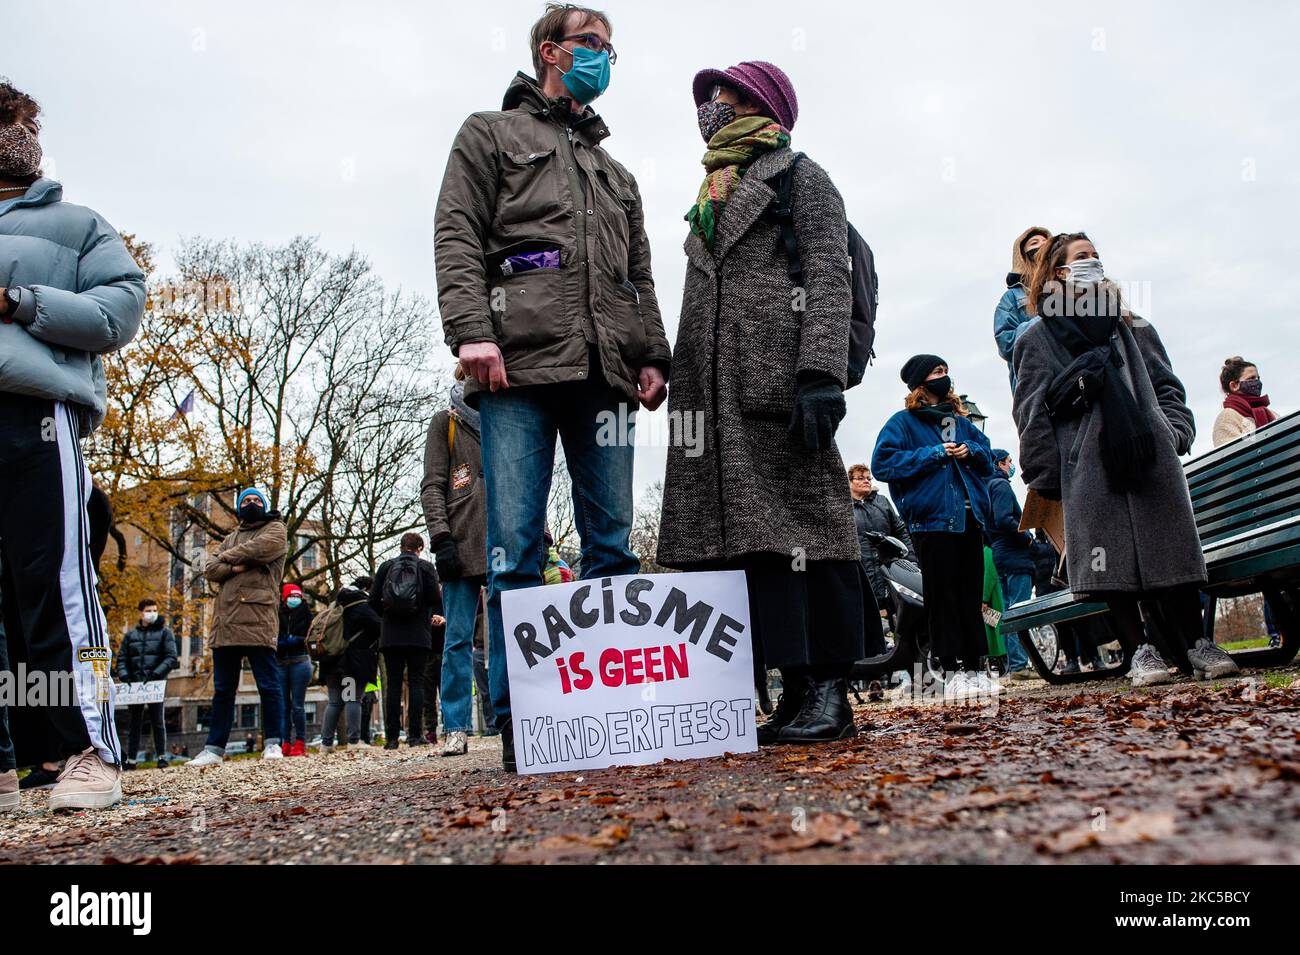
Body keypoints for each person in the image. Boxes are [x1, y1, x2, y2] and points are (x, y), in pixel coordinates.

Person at [434, 4, 671, 771]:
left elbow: (639, 274)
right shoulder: (489, 134)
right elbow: (457, 232)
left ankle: (608, 706)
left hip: (607, 375)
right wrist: (472, 329)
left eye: (612, 50)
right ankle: (521, 717)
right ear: (550, 51)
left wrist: (653, 353)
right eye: (591, 45)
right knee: (514, 551)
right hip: (519, 369)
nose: (604, 59)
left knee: (612, 547)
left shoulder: (617, 171)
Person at [658, 60, 866, 745]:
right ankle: (796, 688)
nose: (708, 106)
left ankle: (832, 692)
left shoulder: (801, 175)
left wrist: (819, 373)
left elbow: (830, 275)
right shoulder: (711, 191)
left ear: (756, 102)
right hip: (712, 400)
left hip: (778, 385)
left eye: (720, 94)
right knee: (755, 549)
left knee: (810, 535)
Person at [0, 82, 146, 810]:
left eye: (24, 122)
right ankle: (22, 764)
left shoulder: (78, 224)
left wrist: (19, 302)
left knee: (56, 590)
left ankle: (92, 751)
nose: (19, 135)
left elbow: (118, 311)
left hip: (34, 416)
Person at [1013, 232, 1238, 685]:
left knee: (1169, 547)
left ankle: (1197, 643)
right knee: (1107, 560)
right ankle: (1139, 652)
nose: (1093, 262)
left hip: (1151, 454)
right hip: (1088, 465)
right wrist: (1047, 473)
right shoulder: (1036, 338)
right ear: (1058, 271)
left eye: (1096, 255)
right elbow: (1031, 411)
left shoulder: (1131, 325)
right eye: (1082, 257)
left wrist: (1173, 431)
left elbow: (1168, 385)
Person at [872, 355, 1002, 701]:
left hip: (969, 518)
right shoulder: (901, 423)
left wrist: (970, 450)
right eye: (936, 372)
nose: (944, 377)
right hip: (931, 522)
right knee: (942, 597)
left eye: (945, 371)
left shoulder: (960, 421)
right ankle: (951, 670)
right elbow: (882, 464)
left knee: (970, 595)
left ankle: (976, 668)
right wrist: (934, 453)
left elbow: (989, 458)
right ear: (920, 382)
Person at [191, 487, 289, 766]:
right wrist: (236, 565)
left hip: (258, 619)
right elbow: (209, 569)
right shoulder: (231, 536)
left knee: (268, 685)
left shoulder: (275, 529)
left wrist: (225, 558)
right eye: (246, 500)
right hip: (225, 623)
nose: (251, 503)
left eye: (257, 500)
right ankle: (213, 749)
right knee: (223, 689)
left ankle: (273, 743)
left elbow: (263, 548)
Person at [420, 369, 486, 758]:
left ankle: (514, 718)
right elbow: (432, 483)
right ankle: (456, 726)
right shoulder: (445, 421)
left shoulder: (503, 416)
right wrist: (440, 536)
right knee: (457, 640)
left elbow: (527, 480)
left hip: (503, 539)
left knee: (511, 634)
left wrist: (541, 532)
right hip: (459, 543)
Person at [370, 533, 441, 750]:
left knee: (393, 684)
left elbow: (372, 600)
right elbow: (435, 599)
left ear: (402, 547)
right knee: (417, 682)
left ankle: (391, 738)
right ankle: (414, 736)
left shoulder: (385, 567)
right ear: (419, 547)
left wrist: (387, 615)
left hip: (391, 635)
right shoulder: (426, 568)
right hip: (418, 633)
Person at [848, 463, 913, 656]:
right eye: (860, 478)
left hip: (890, 572)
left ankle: (905, 668)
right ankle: (872, 671)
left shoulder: (882, 502)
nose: (866, 481)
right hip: (861, 575)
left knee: (901, 622)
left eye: (868, 477)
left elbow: (901, 531)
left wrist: (910, 559)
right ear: (849, 482)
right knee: (867, 624)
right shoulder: (843, 506)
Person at [986, 449, 1036, 679]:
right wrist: (1026, 538)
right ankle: (1018, 664)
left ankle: (1013, 664)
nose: (1011, 466)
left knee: (1006, 611)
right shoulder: (1001, 485)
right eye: (1009, 462)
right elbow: (1005, 519)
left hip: (999, 552)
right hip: (1014, 553)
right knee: (1019, 609)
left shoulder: (986, 487)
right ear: (999, 464)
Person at [320, 577, 381, 750]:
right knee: (353, 699)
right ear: (367, 588)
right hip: (351, 663)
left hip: (330, 661)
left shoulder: (335, 606)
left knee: (334, 702)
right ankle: (354, 741)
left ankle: (326, 744)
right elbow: (380, 627)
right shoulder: (361, 606)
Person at [116, 598, 179, 768]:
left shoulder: (165, 633)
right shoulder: (131, 636)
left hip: (155, 685)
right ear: (141, 613)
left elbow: (171, 657)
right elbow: (122, 659)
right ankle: (131, 759)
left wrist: (156, 674)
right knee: (134, 723)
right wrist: (125, 675)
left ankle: (161, 757)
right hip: (135, 686)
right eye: (148, 610)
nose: (152, 614)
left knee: (157, 720)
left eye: (154, 610)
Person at [993, 227, 1052, 390]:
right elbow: (1007, 344)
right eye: (1035, 242)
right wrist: (1048, 319)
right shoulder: (1012, 297)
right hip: (1039, 390)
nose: (1042, 244)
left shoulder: (1073, 291)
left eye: (1046, 242)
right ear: (1023, 256)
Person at [277, 583, 314, 757]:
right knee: (284, 706)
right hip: (281, 663)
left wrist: (297, 640)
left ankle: (299, 742)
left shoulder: (307, 614)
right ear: (284, 598)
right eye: (292, 596)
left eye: (298, 597)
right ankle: (285, 742)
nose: (295, 599)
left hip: (300, 661)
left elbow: (311, 637)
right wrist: (281, 642)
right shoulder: (277, 614)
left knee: (298, 706)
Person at [1213, 356, 1277, 447]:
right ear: (1234, 385)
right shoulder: (1227, 418)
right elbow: (1231, 454)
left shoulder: (1271, 414)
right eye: (1251, 378)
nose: (1257, 382)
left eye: (1257, 378)